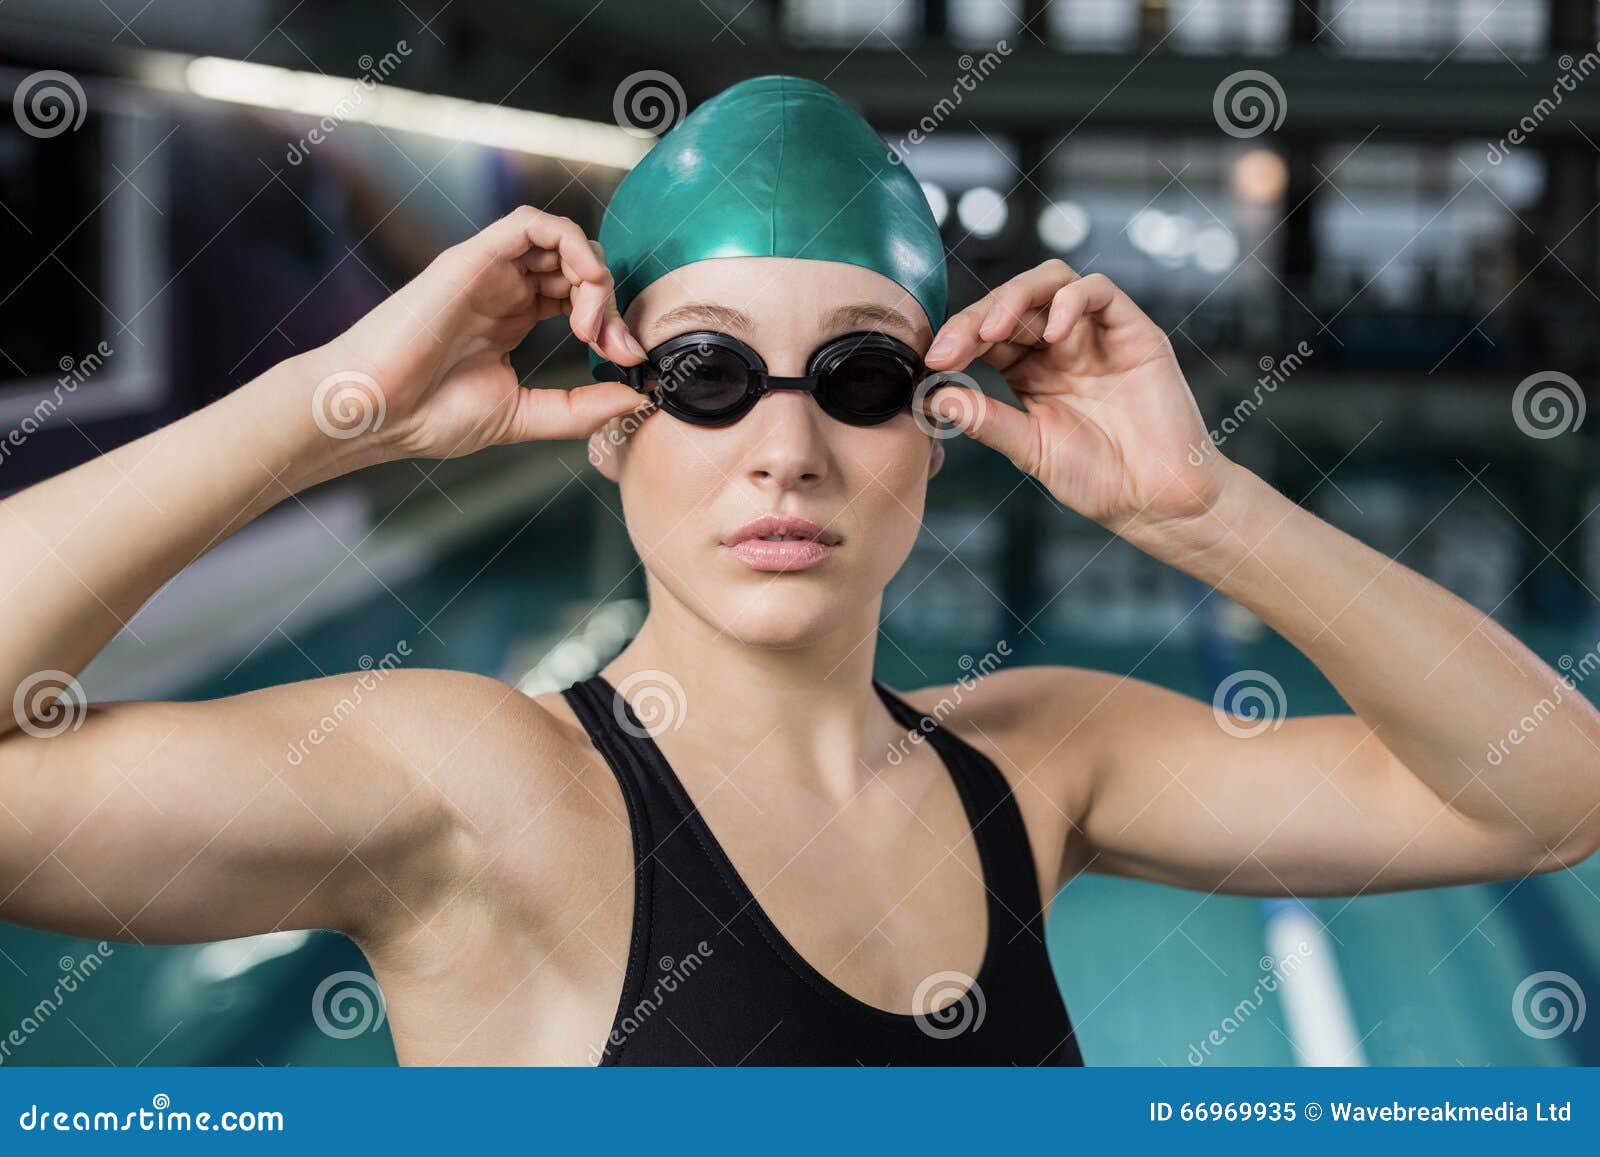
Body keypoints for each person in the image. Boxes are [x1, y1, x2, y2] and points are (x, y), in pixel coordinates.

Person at [1, 76, 1596, 1067]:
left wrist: (1206, 513)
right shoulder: (473, 789)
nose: (786, 448)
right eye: (704, 375)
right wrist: (324, 410)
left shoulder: (1042, 766)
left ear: (936, 428)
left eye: (856, 380)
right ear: (614, 430)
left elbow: (1549, 791)